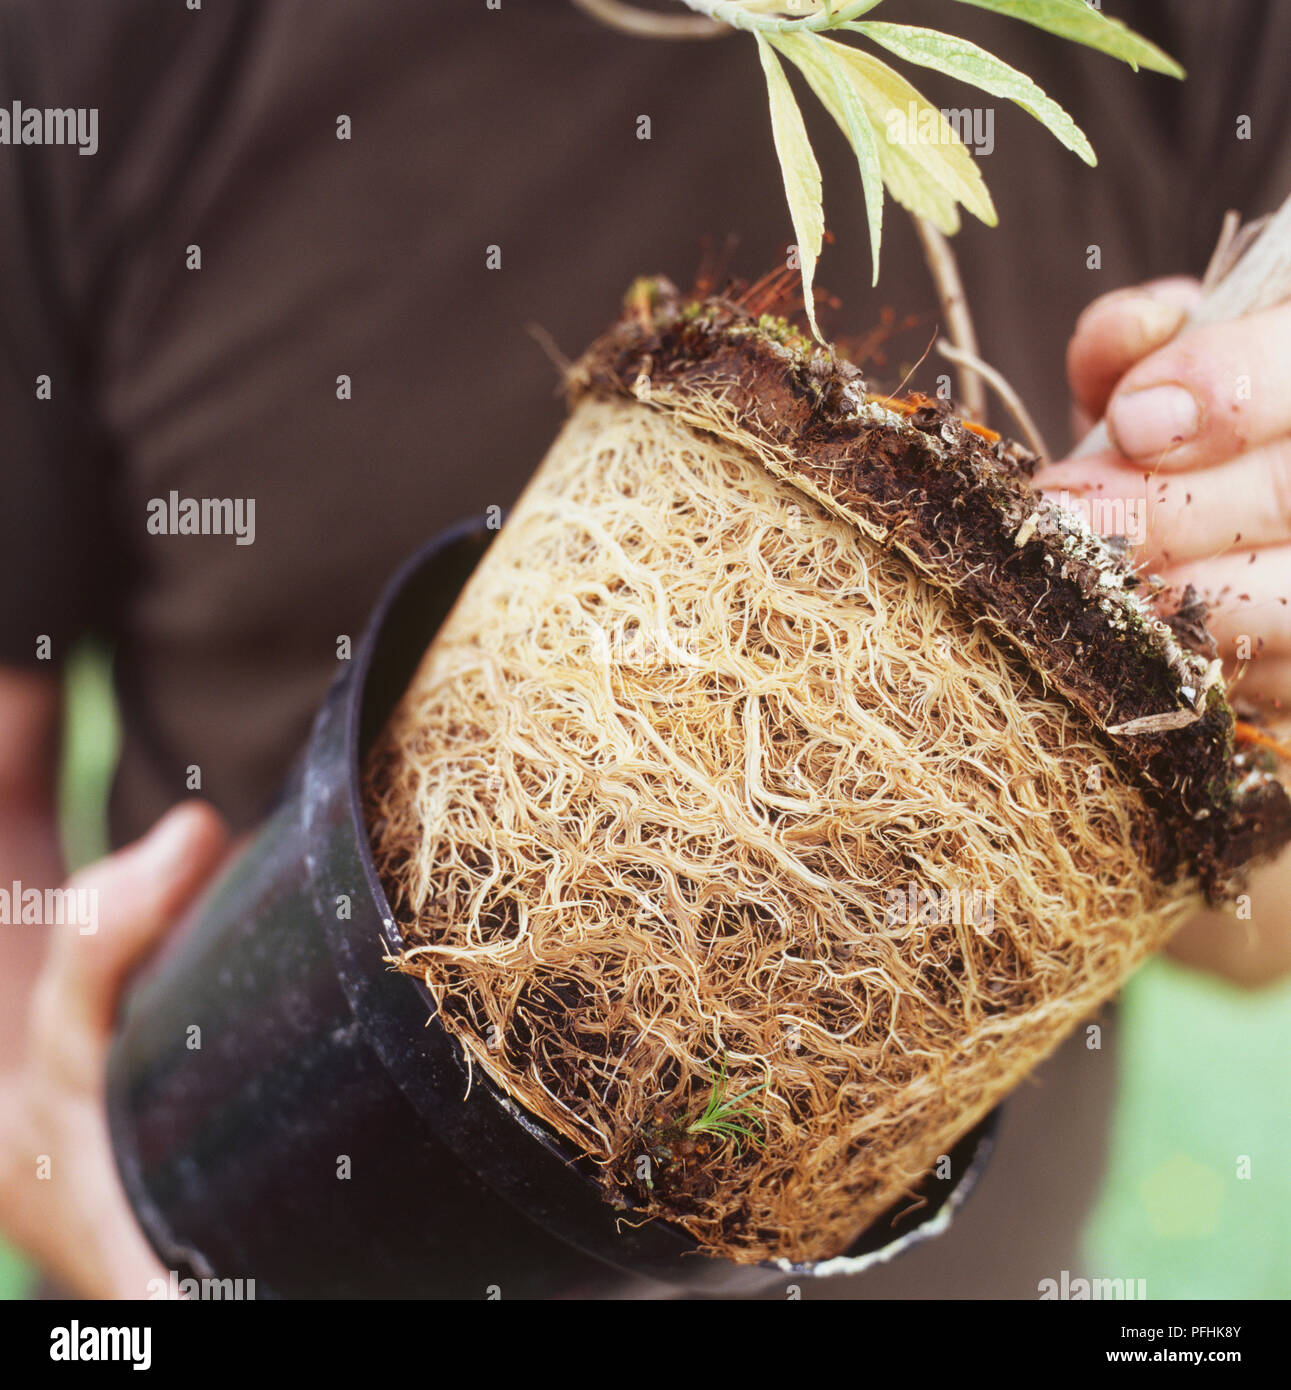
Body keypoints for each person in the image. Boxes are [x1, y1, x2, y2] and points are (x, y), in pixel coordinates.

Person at [1, 0, 1288, 1299]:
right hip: (232, 1200)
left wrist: (1256, 698)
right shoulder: (92, 41)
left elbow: (1250, 935)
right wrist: (47, 1140)